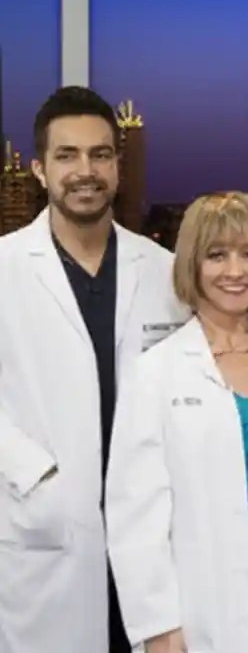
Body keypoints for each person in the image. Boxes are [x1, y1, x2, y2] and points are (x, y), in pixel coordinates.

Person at [105, 192, 248, 652]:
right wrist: (158, 624)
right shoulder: (156, 372)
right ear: (192, 265)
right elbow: (135, 515)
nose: (235, 271)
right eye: (217, 255)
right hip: (196, 590)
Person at [0, 86, 187, 653]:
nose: (86, 170)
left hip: (152, 527)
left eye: (100, 154)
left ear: (117, 164)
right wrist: (35, 476)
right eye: (67, 155)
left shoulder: (164, 272)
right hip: (45, 524)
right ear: (38, 169)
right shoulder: (5, 268)